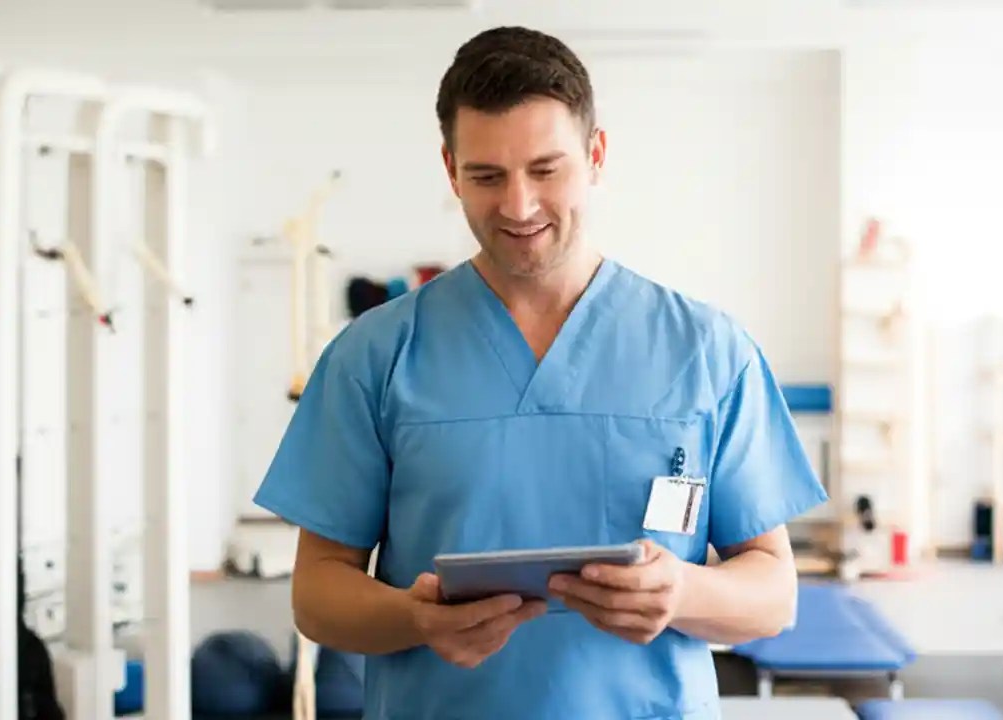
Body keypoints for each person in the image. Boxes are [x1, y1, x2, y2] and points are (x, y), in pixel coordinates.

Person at [253, 25, 829, 719]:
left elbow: (773, 595)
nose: (518, 206)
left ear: (596, 156)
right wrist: (415, 618)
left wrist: (683, 592)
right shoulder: (374, 355)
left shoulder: (706, 350)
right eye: (486, 176)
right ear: (450, 171)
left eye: (545, 170)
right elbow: (317, 592)